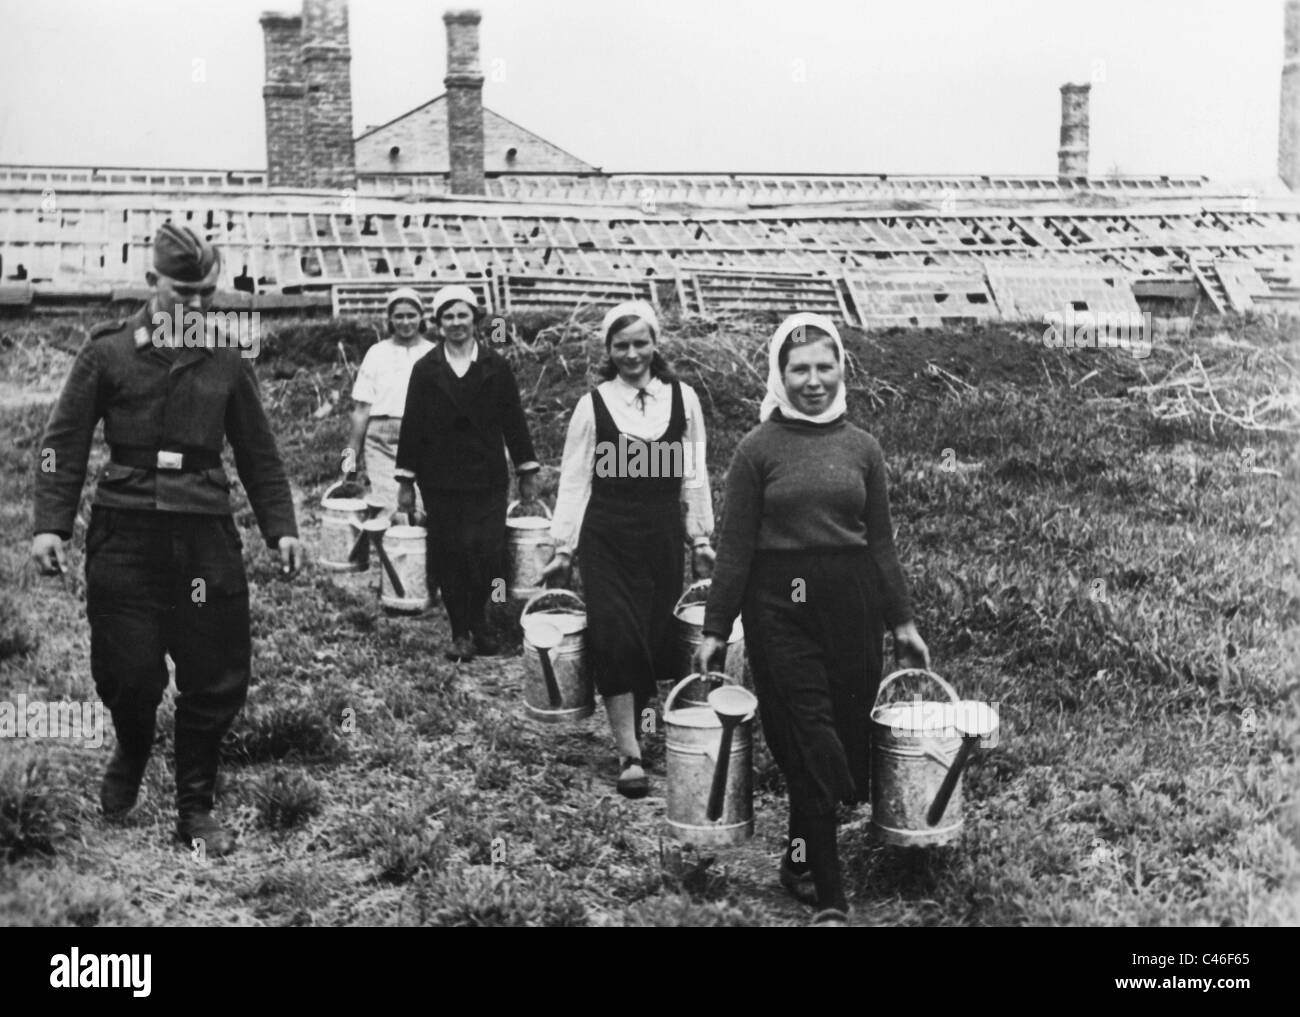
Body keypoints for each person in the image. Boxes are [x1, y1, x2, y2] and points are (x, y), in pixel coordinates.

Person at [30, 223, 302, 857]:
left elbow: (259, 452)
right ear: (152, 282)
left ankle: (195, 804)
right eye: (186, 291)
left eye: (208, 292)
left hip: (203, 532)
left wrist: (281, 528)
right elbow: (61, 443)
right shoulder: (108, 352)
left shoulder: (228, 358)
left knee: (214, 669)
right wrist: (51, 523)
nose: (199, 304)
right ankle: (132, 740)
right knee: (128, 670)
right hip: (126, 531)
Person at [692, 312, 929, 927]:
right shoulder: (757, 449)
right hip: (779, 606)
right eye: (800, 368)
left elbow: (881, 544)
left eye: (826, 366)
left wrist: (902, 624)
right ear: (780, 372)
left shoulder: (862, 448)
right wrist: (716, 630)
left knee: (842, 738)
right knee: (813, 738)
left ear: (842, 369)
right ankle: (830, 895)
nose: (814, 380)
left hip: (850, 606)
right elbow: (736, 546)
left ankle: (798, 856)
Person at [542, 300, 715, 798]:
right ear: (608, 350)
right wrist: (564, 548)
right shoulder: (593, 405)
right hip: (607, 536)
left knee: (652, 638)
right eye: (621, 346)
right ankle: (628, 753)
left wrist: (699, 538)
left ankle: (646, 724)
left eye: (640, 343)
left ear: (656, 344)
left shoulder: (683, 400)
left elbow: (694, 476)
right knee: (615, 636)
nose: (632, 354)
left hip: (660, 538)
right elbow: (575, 481)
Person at [395, 285, 539, 662]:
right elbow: (412, 426)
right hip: (440, 479)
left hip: (487, 477)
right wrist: (405, 481)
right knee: (450, 552)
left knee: (487, 553)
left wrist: (526, 470)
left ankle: (482, 620)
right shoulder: (426, 369)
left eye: (462, 315)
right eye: (447, 317)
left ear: (475, 320)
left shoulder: (496, 366)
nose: (456, 323)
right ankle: (460, 629)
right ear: (438, 324)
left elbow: (514, 421)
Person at [343, 287, 435, 515]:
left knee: (424, 509)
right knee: (392, 509)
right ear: (390, 320)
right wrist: (348, 462)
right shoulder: (376, 353)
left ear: (421, 317)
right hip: (382, 440)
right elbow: (361, 411)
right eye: (399, 316)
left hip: (424, 438)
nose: (405, 322)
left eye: (411, 315)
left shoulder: (434, 353)